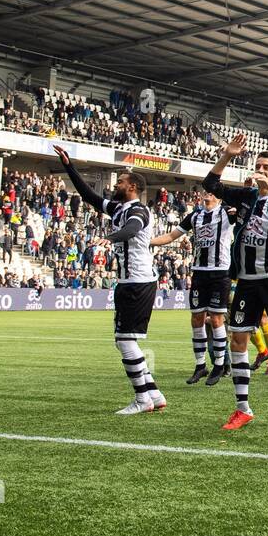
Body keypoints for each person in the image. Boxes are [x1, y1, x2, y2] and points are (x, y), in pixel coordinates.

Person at [202, 132, 268, 430]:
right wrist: (227, 156)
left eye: (266, 168)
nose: (260, 170)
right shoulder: (246, 196)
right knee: (238, 339)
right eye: (258, 166)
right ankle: (242, 408)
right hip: (247, 280)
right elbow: (210, 185)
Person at [52, 144, 165, 415]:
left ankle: (143, 400)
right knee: (124, 340)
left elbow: (132, 229)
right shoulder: (118, 209)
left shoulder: (139, 211)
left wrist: (110, 238)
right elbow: (89, 196)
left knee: (125, 342)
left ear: (132, 187)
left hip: (137, 281)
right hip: (129, 281)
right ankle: (154, 394)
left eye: (121, 182)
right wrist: (69, 165)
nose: (116, 184)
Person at [151, 188, 234, 387]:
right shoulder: (195, 216)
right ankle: (200, 365)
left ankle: (219, 365)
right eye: (206, 191)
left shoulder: (226, 212)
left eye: (212, 192)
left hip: (220, 272)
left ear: (219, 196)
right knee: (197, 319)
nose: (208, 194)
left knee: (216, 319)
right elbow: (171, 236)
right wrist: (146, 241)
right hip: (199, 272)